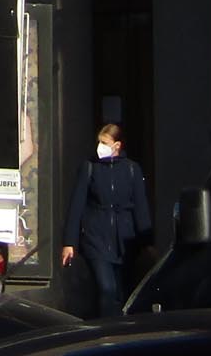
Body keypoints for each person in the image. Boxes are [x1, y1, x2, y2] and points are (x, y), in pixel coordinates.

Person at [60, 121, 153, 319]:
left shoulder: (131, 170)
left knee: (121, 291)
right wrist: (69, 242)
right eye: (99, 142)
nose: (100, 147)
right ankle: (106, 330)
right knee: (107, 288)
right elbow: (77, 205)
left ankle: (119, 329)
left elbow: (141, 207)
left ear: (117, 145)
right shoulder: (89, 168)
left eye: (104, 142)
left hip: (124, 240)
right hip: (96, 238)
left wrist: (147, 243)